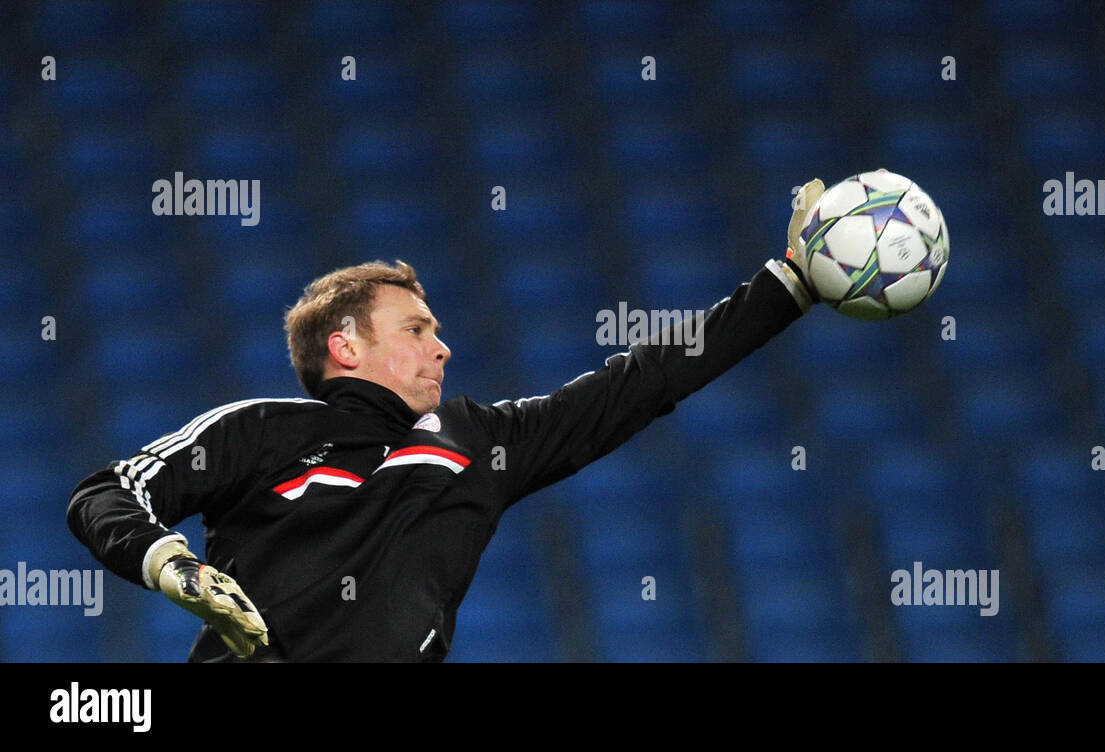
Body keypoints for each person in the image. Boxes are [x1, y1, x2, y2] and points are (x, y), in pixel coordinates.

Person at [67, 180, 829, 662]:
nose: (444, 346)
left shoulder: (479, 442)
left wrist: (785, 286)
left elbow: (639, 383)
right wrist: (174, 567)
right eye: (417, 329)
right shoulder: (261, 429)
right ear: (346, 344)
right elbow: (106, 493)